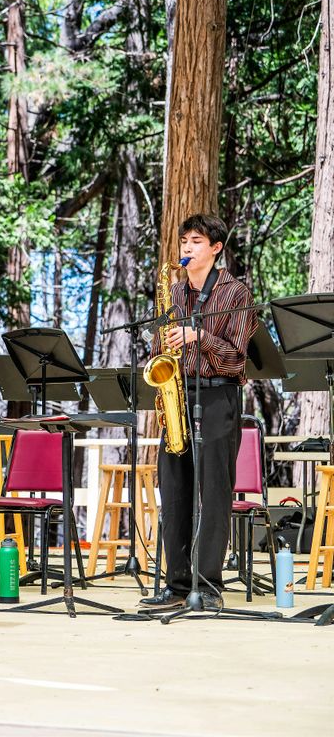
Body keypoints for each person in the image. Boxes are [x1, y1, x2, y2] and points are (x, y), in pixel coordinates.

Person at [139, 213, 255, 610]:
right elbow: (161, 346)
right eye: (184, 241)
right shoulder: (173, 292)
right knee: (174, 494)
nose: (186, 248)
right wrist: (157, 359)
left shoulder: (235, 293)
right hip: (178, 395)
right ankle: (176, 585)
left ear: (216, 248)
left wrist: (200, 336)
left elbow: (237, 359)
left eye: (196, 241)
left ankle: (207, 587)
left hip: (217, 397)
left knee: (214, 493)